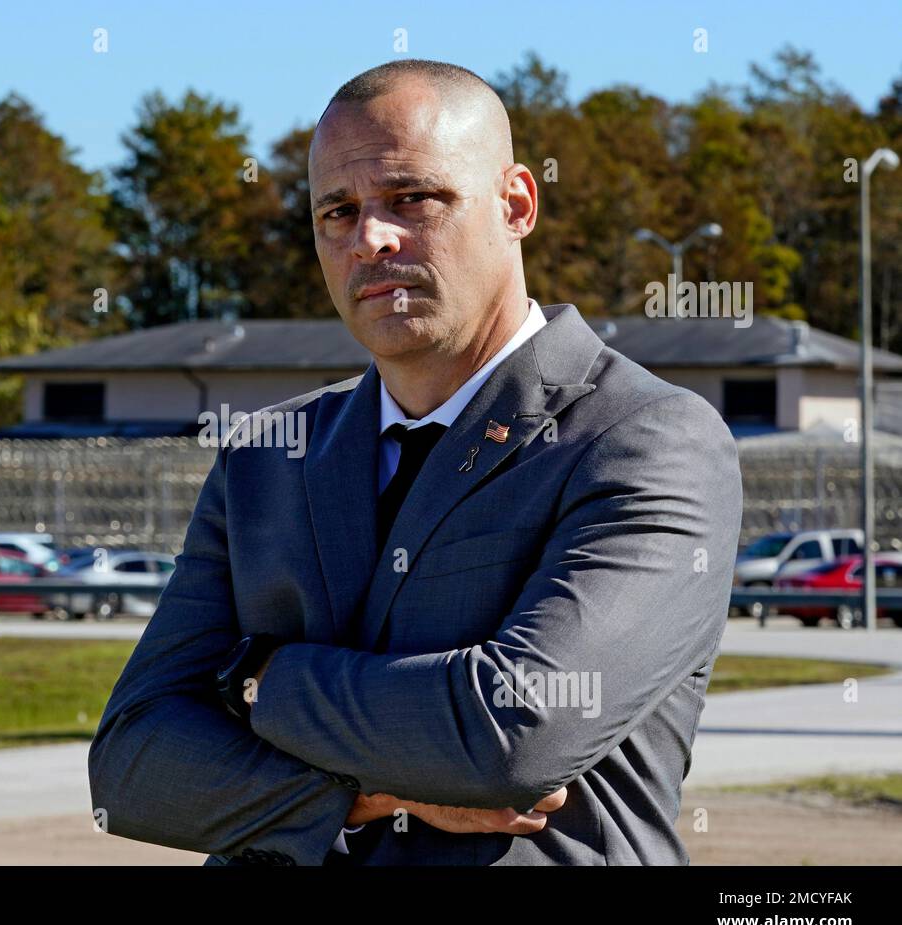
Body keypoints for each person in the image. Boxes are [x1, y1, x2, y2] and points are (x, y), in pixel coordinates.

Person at [88, 58, 743, 865]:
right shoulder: (266, 456)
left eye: (412, 198)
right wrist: (364, 796)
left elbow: (513, 733)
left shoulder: (643, 438)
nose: (371, 238)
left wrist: (256, 678)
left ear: (516, 204)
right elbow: (131, 767)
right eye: (338, 211)